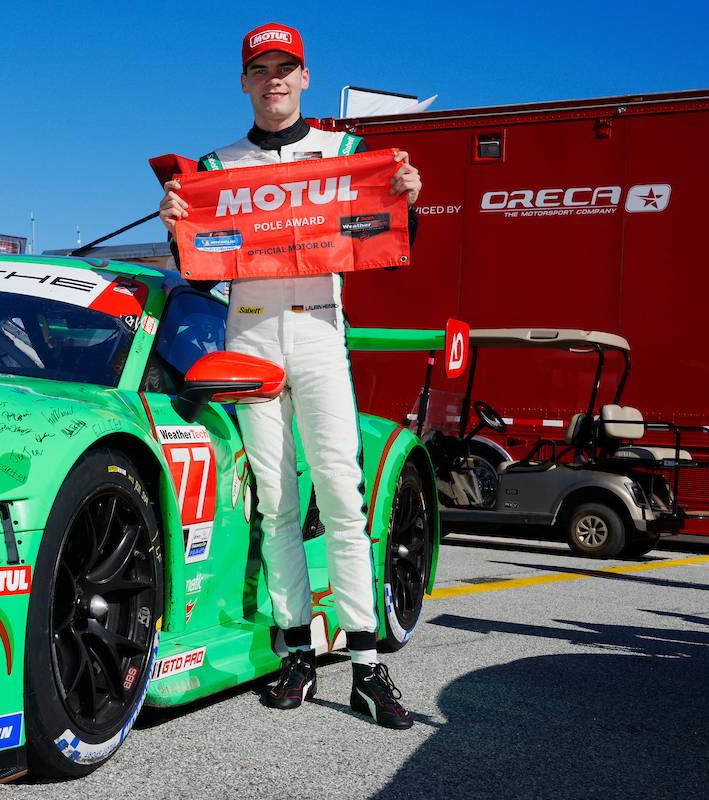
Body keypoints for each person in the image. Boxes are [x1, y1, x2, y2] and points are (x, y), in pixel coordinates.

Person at [158, 22, 422, 729]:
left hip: (320, 330)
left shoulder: (346, 152)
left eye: (286, 67)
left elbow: (391, 237)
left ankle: (366, 664)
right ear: (244, 82)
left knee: (341, 496)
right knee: (275, 502)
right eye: (261, 69)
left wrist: (408, 199)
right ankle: (297, 651)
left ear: (305, 77)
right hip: (247, 330)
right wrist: (177, 223)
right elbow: (197, 270)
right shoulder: (216, 164)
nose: (273, 79)